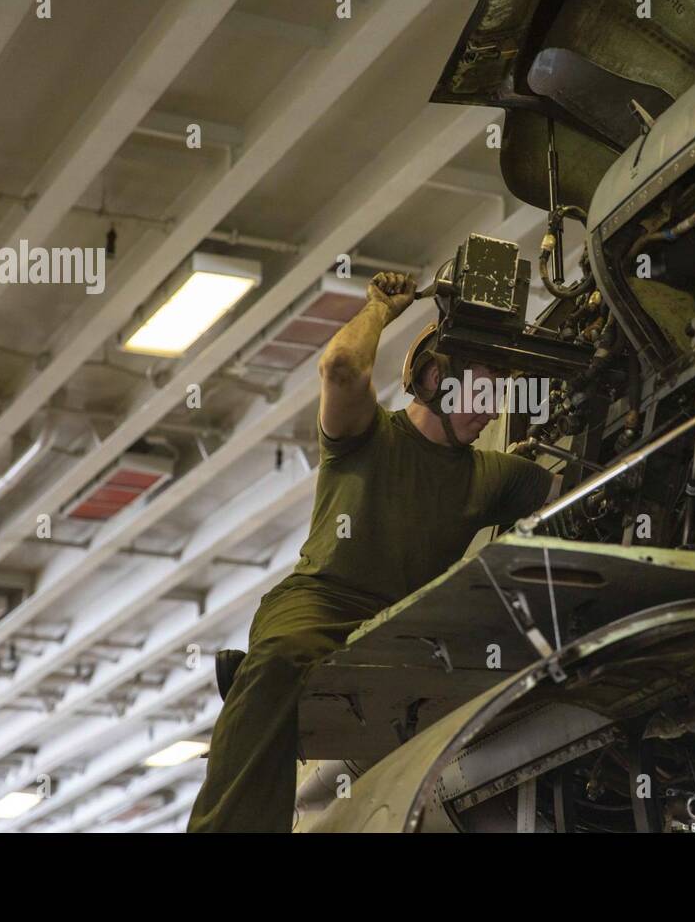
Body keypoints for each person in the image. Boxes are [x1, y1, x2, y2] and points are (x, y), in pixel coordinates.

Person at [188, 271, 560, 831]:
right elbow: (340, 368)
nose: (490, 409)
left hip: (406, 622)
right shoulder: (366, 436)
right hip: (321, 600)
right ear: (435, 379)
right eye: (481, 392)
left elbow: (575, 488)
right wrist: (380, 310)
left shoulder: (492, 476)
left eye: (497, 394)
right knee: (277, 662)